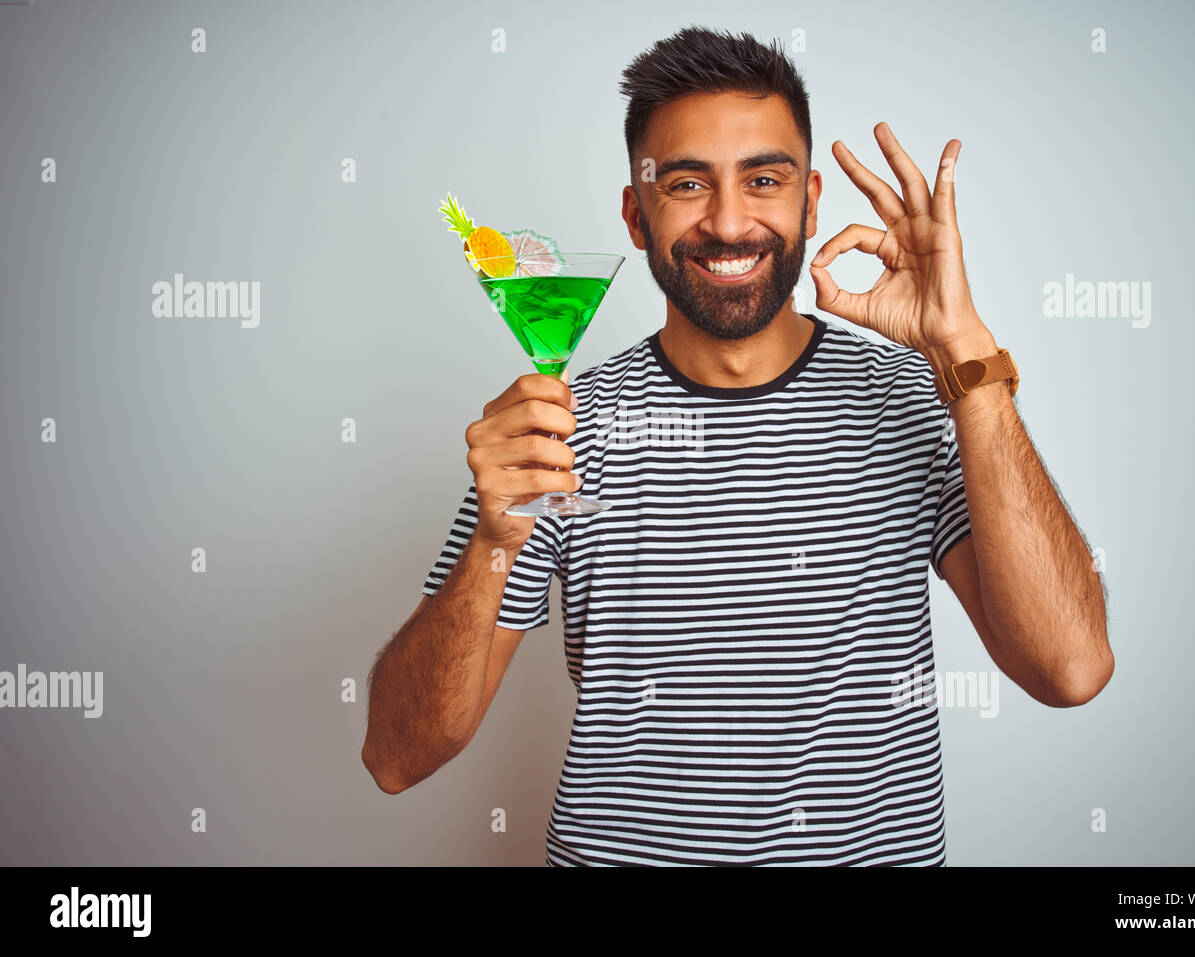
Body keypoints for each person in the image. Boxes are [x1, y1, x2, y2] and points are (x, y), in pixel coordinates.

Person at [362, 26, 1114, 866]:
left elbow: (1070, 669)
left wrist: (966, 355)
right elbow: (397, 757)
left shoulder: (913, 400)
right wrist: (493, 543)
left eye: (764, 179)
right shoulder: (555, 433)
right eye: (686, 182)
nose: (728, 222)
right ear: (635, 213)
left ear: (811, 202)